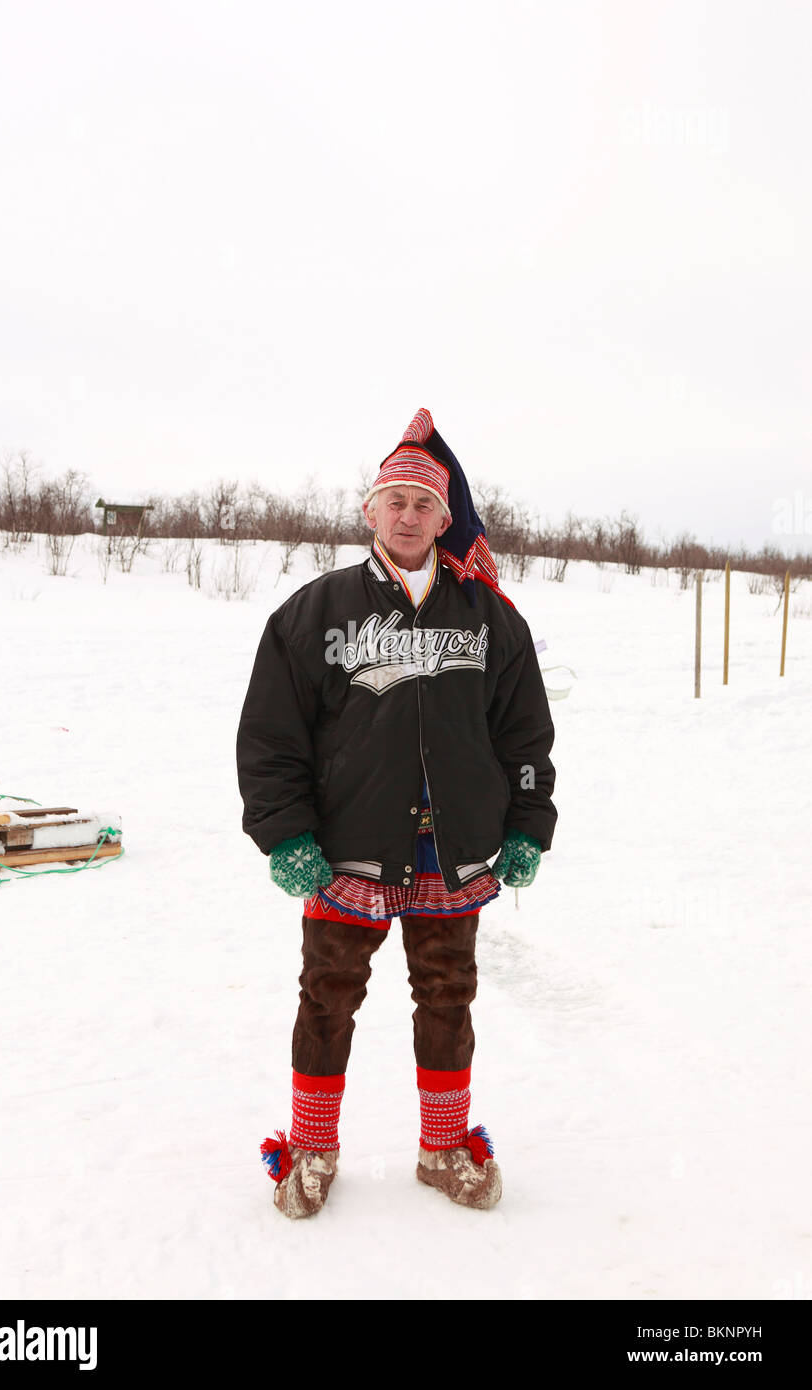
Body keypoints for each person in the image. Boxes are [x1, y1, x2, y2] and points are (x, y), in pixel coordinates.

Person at [236, 408, 557, 1218]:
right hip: (346, 849)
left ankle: (444, 1149)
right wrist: (286, 836)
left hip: (455, 847)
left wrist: (525, 825)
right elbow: (272, 739)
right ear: (370, 511)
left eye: (425, 505)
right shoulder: (314, 613)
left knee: (448, 993)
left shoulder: (491, 618)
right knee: (328, 994)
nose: (409, 516)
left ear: (446, 520)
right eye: (396, 501)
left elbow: (525, 734)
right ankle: (310, 1152)